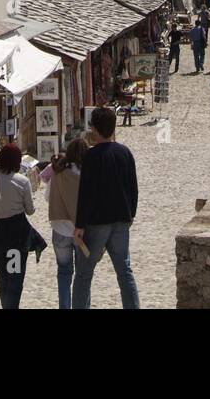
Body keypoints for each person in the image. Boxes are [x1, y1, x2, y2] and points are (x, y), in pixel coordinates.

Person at [73, 107, 140, 309]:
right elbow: (133, 188)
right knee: (124, 271)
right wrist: (131, 215)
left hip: (97, 223)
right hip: (121, 220)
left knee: (84, 274)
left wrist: (80, 225)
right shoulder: (125, 153)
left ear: (95, 128)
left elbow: (87, 194)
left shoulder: (92, 157)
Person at [0, 144, 37, 309]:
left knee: (3, 276)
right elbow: (30, 210)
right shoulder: (22, 181)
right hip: (15, 237)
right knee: (14, 277)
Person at [43, 138, 87, 309]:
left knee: (64, 272)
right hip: (81, 230)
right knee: (83, 275)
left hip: (60, 228)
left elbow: (48, 197)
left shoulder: (58, 172)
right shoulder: (87, 173)